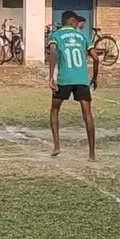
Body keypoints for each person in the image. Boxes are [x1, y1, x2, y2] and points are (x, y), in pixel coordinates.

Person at [47, 10, 100, 161]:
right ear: (72, 22)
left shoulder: (56, 35)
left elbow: (53, 53)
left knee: (55, 110)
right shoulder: (83, 36)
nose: (79, 25)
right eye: (77, 22)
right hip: (82, 79)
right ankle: (92, 153)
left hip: (64, 79)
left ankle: (56, 146)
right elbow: (96, 58)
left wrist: (51, 76)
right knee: (87, 115)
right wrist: (94, 77)